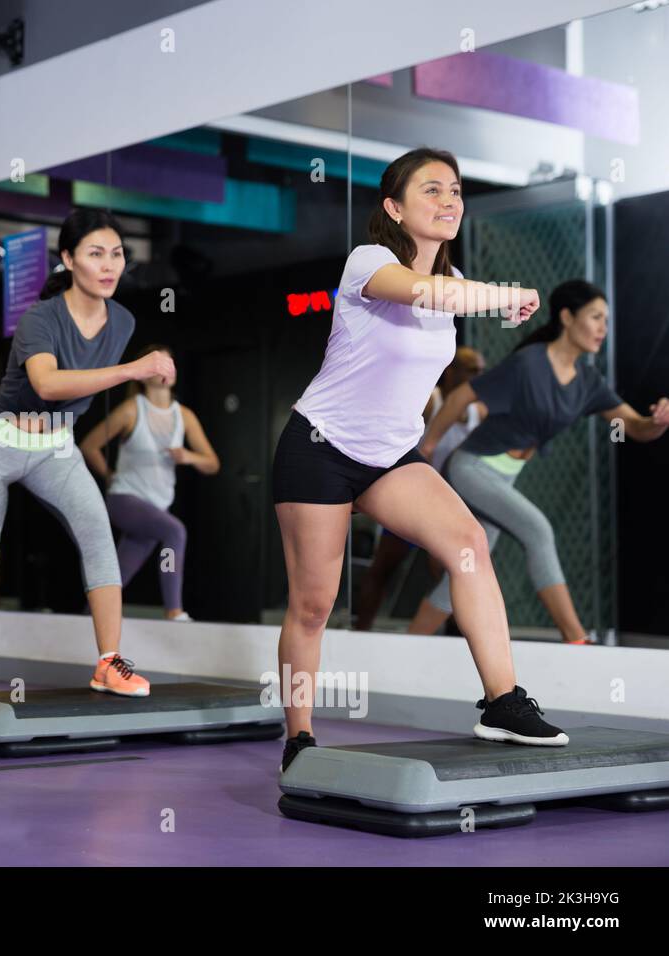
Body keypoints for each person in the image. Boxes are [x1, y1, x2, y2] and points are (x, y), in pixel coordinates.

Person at [271, 146, 568, 773]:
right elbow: (416, 292)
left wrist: (490, 298)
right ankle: (298, 736)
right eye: (431, 190)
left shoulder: (457, 288)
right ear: (394, 207)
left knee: (467, 544)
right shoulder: (369, 262)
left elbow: (448, 298)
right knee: (313, 605)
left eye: (456, 191)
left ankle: (502, 701)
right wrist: (501, 297)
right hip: (321, 444)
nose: (449, 201)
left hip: (390, 456)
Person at [0, 209, 175, 714]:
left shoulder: (123, 320)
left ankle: (109, 662)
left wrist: (131, 372)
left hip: (56, 447)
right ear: (69, 260)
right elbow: (48, 384)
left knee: (98, 536)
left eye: (116, 254)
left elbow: (77, 394)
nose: (108, 264)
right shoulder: (41, 318)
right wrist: (133, 370)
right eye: (95, 254)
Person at [410, 280, 669, 643]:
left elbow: (634, 428)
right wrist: (428, 448)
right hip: (472, 466)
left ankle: (411, 641)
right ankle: (576, 638)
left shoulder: (589, 382)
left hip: (505, 477)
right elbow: (459, 400)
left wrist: (656, 422)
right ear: (567, 317)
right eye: (595, 317)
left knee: (468, 563)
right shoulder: (529, 363)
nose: (602, 329)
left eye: (606, 321)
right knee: (538, 531)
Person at [80, 343, 219, 621]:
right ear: (144, 373)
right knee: (175, 532)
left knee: (118, 576)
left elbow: (212, 463)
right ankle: (174, 611)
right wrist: (110, 476)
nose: (168, 368)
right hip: (126, 500)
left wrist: (188, 456)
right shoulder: (132, 410)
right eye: (159, 363)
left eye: (171, 363)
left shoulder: (184, 416)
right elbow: (89, 445)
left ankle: (84, 620)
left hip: (156, 507)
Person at [354, 346, 485, 631]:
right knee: (384, 568)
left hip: (447, 506)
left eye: (481, 372)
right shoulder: (430, 400)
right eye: (472, 370)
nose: (478, 376)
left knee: (452, 570)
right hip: (410, 500)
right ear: (452, 371)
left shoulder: (479, 411)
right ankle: (361, 631)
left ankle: (457, 638)